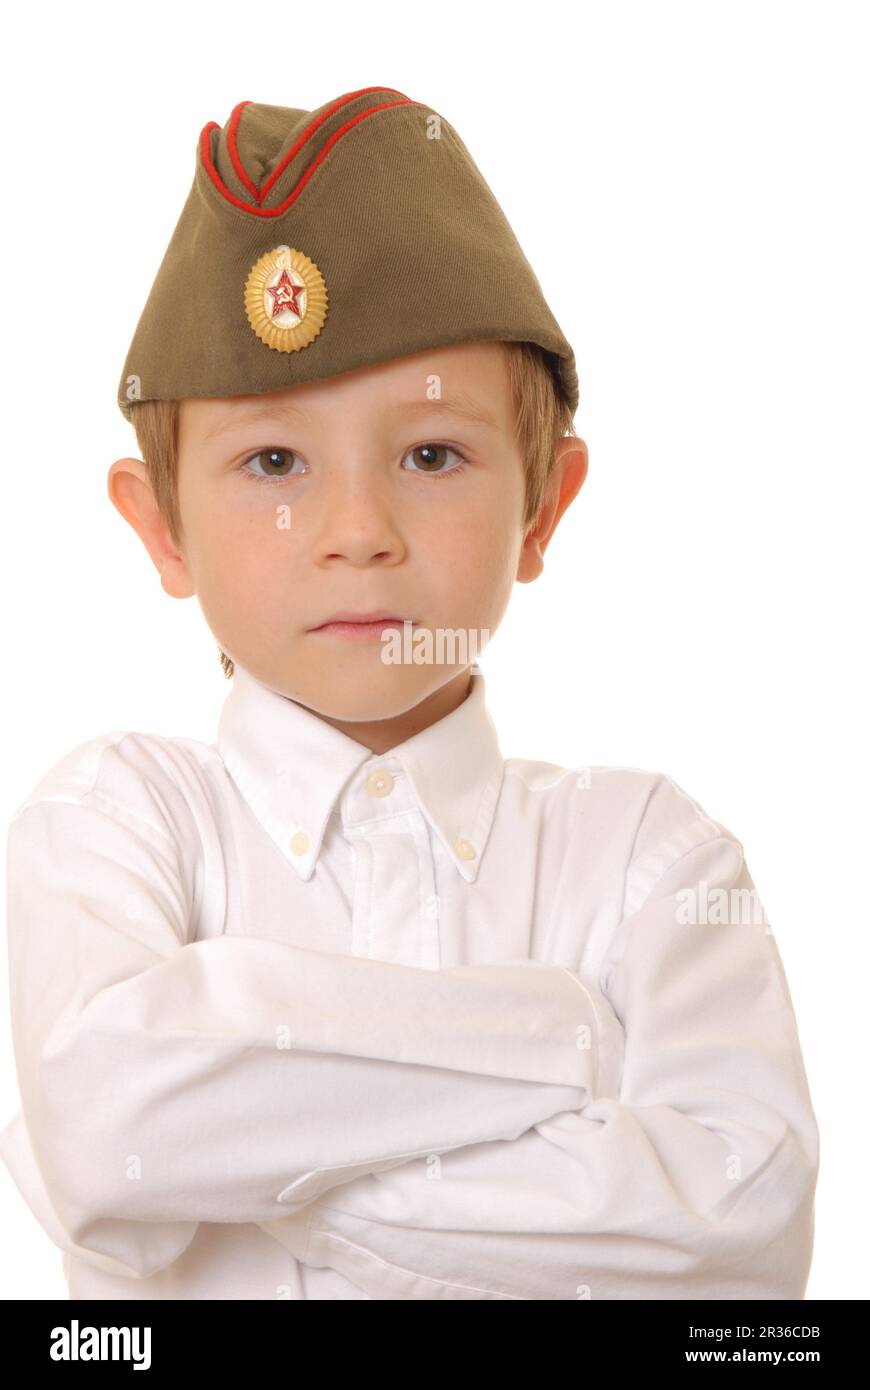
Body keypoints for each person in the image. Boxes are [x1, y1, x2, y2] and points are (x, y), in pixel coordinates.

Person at [0, 87, 819, 1300]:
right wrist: (564, 1038)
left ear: (545, 504)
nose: (357, 530)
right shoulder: (116, 820)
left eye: (431, 455)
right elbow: (104, 1123)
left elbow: (735, 1235)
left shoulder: (653, 857)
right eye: (274, 460)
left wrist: (259, 1169)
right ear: (160, 530)